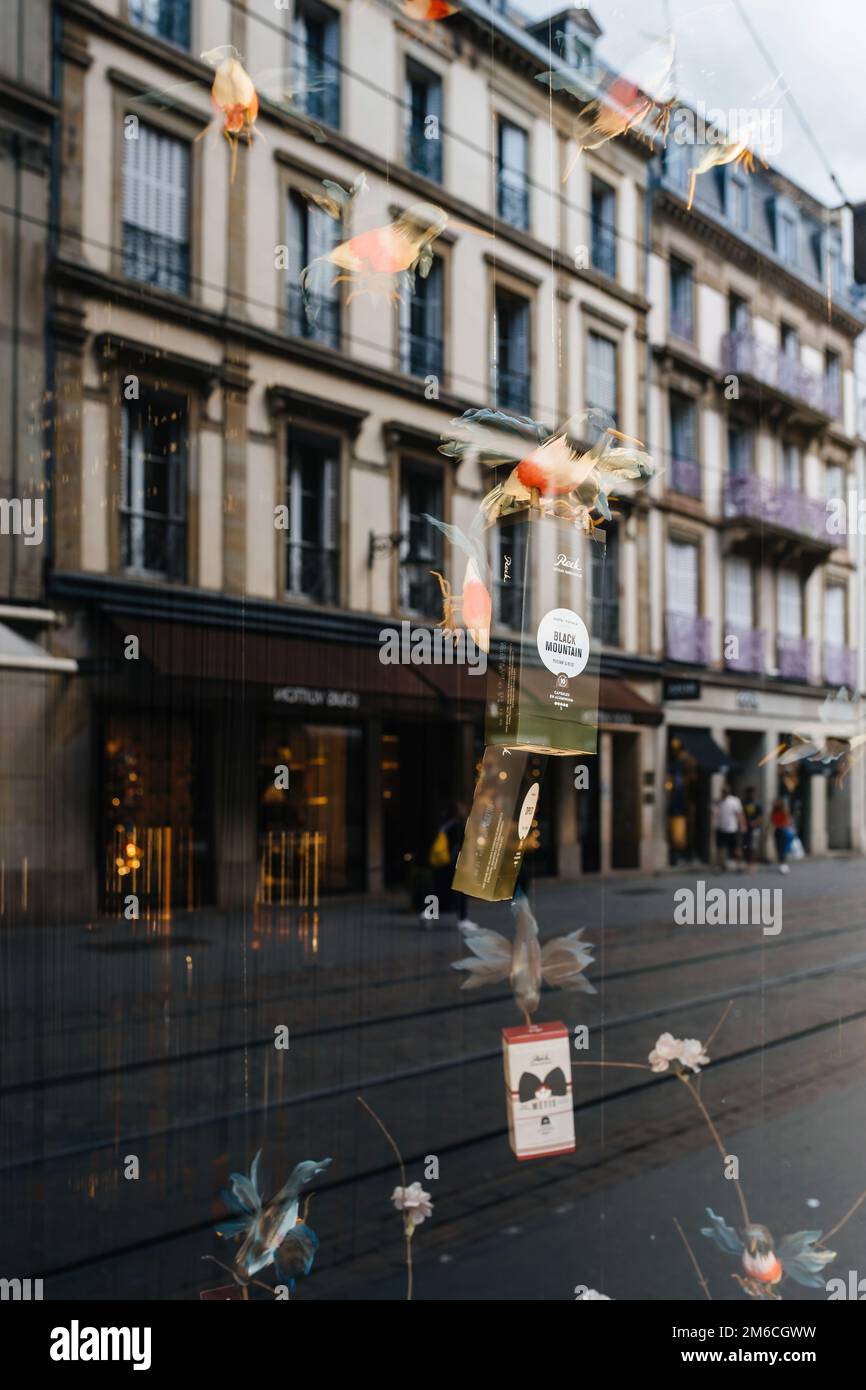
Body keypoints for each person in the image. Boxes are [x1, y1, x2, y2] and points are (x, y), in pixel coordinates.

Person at [422, 801, 479, 930]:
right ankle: (463, 920)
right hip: (455, 864)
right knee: (462, 890)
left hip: (442, 863)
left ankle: (427, 914)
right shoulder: (458, 826)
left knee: (438, 889)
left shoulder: (443, 825)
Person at [715, 785, 744, 871]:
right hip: (722, 828)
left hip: (732, 828)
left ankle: (739, 865)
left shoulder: (734, 801)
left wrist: (742, 824)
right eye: (723, 792)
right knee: (720, 848)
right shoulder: (719, 802)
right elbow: (716, 814)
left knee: (737, 847)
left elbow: (739, 814)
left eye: (725, 792)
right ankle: (721, 865)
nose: (724, 794)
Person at [741, 786, 763, 872]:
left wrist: (754, 823)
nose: (751, 795)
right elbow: (741, 814)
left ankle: (753, 864)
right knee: (746, 846)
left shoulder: (757, 803)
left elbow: (761, 816)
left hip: (755, 828)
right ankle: (747, 863)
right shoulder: (744, 803)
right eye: (750, 793)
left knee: (753, 846)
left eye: (753, 793)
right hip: (746, 828)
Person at [770, 796, 792, 874]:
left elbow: (787, 820)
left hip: (783, 830)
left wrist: (783, 825)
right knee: (779, 848)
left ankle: (783, 864)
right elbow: (772, 821)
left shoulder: (784, 811)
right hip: (778, 830)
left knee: (782, 848)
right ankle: (782, 864)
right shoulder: (774, 811)